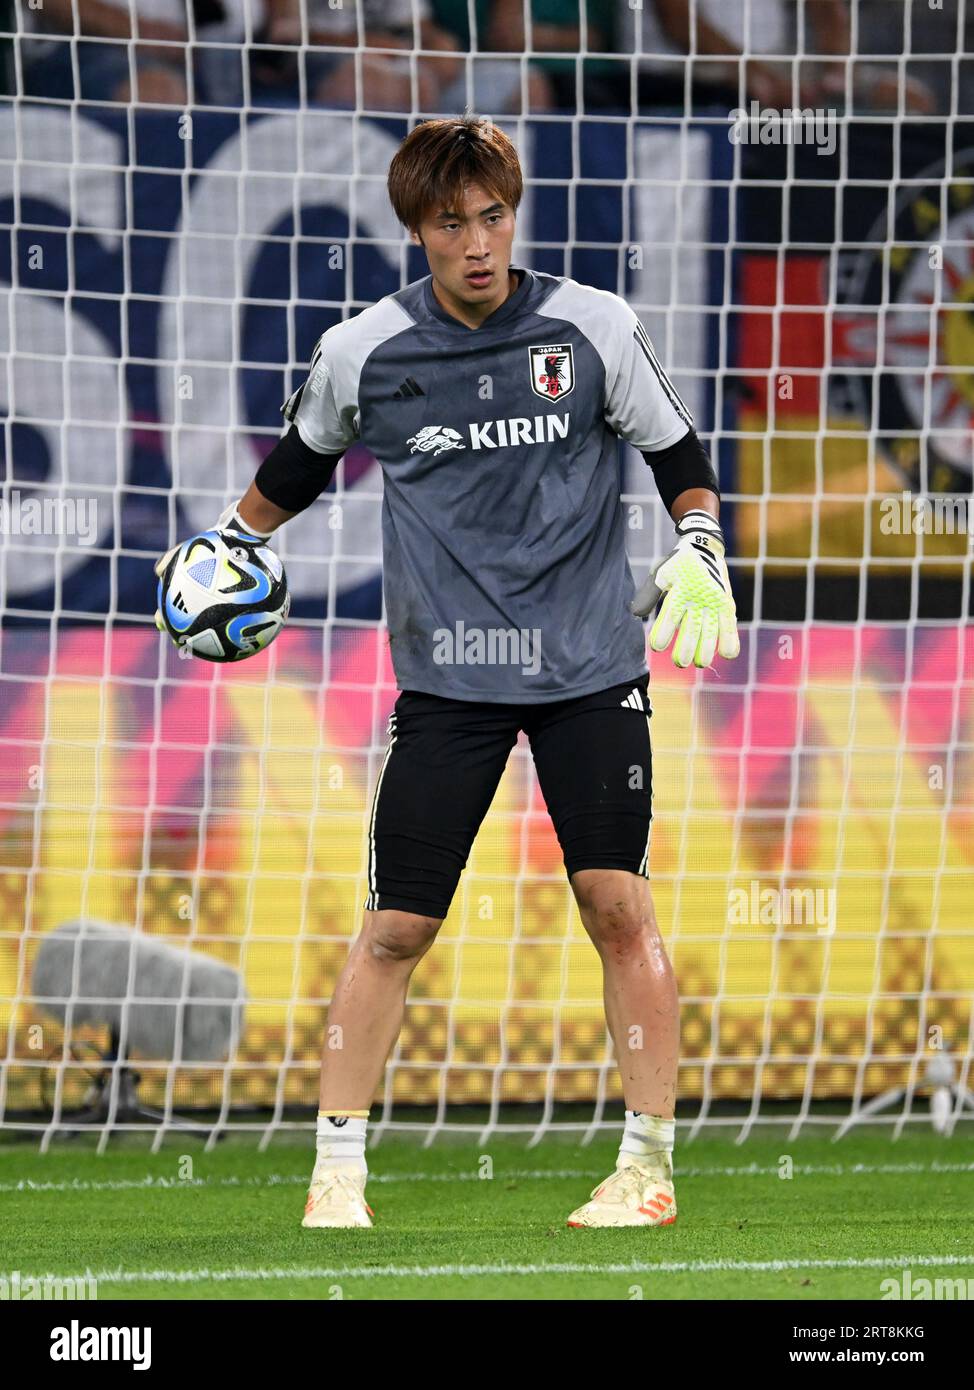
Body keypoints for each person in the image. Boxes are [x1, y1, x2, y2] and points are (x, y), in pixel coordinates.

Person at [156, 114, 740, 1229]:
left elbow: (679, 458)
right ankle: (336, 1174)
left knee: (617, 904)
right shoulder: (363, 351)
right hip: (447, 681)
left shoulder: (594, 326)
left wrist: (702, 544)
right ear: (416, 230)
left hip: (586, 667)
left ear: (511, 215)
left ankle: (646, 1168)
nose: (477, 243)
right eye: (450, 223)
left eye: (492, 216)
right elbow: (294, 469)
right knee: (395, 927)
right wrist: (230, 543)